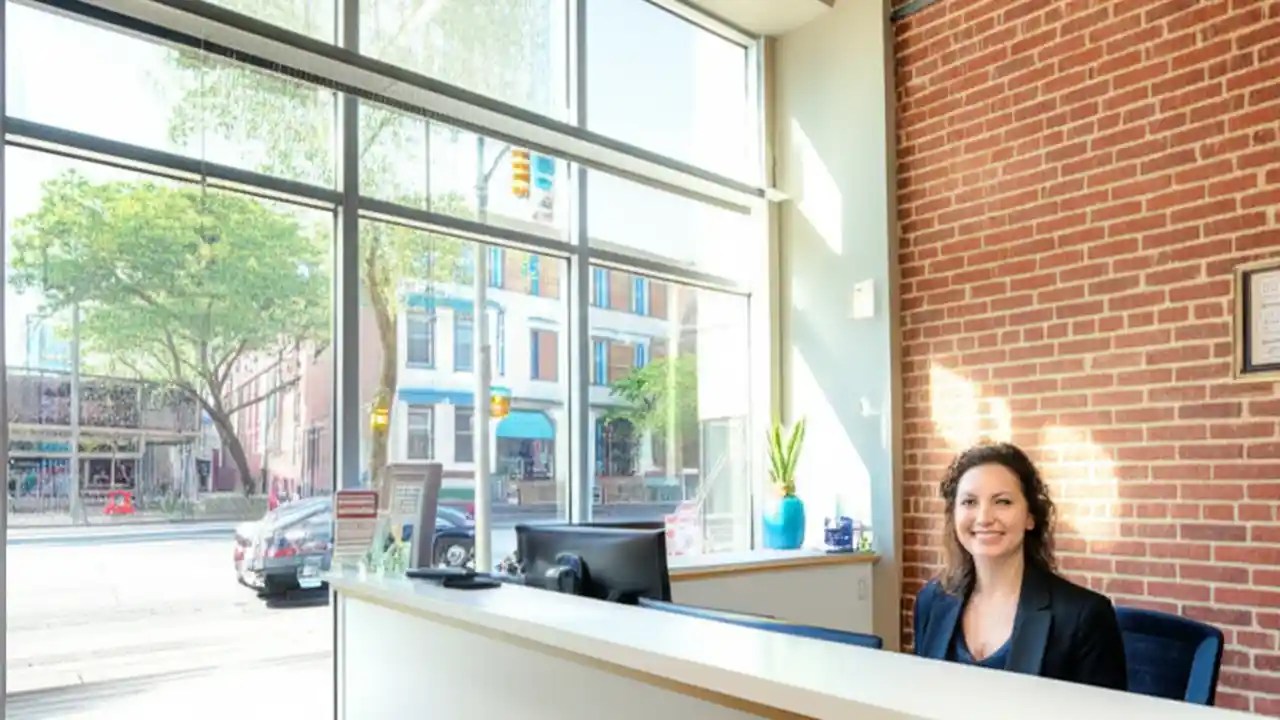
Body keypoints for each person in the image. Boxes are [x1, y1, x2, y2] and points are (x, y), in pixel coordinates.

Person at [913, 441, 1127, 691]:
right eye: (969, 502)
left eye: (1002, 502)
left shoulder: (1083, 617)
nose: (984, 518)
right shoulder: (931, 602)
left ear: (1030, 517)